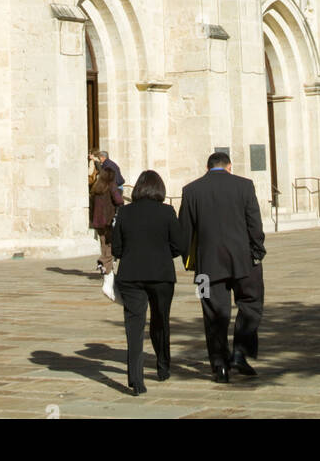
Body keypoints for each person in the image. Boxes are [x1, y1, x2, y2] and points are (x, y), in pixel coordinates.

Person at [179, 151, 266, 382]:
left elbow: (185, 230)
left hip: (206, 265)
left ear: (207, 168)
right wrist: (258, 251)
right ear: (229, 166)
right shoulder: (244, 186)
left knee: (213, 313)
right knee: (251, 304)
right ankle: (240, 352)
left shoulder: (191, 190)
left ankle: (220, 365)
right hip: (245, 261)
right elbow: (254, 223)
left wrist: (189, 259)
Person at [111, 170, 184, 395]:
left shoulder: (124, 212)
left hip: (131, 275)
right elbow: (178, 245)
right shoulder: (167, 212)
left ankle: (136, 379)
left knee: (134, 327)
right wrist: (162, 255)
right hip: (161, 274)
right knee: (161, 319)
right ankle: (163, 366)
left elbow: (117, 249)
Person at [89, 163, 124, 275]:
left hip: (97, 220)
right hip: (108, 220)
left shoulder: (96, 187)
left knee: (103, 243)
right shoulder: (111, 185)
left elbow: (92, 206)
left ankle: (105, 267)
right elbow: (119, 201)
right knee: (109, 244)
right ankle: (104, 263)